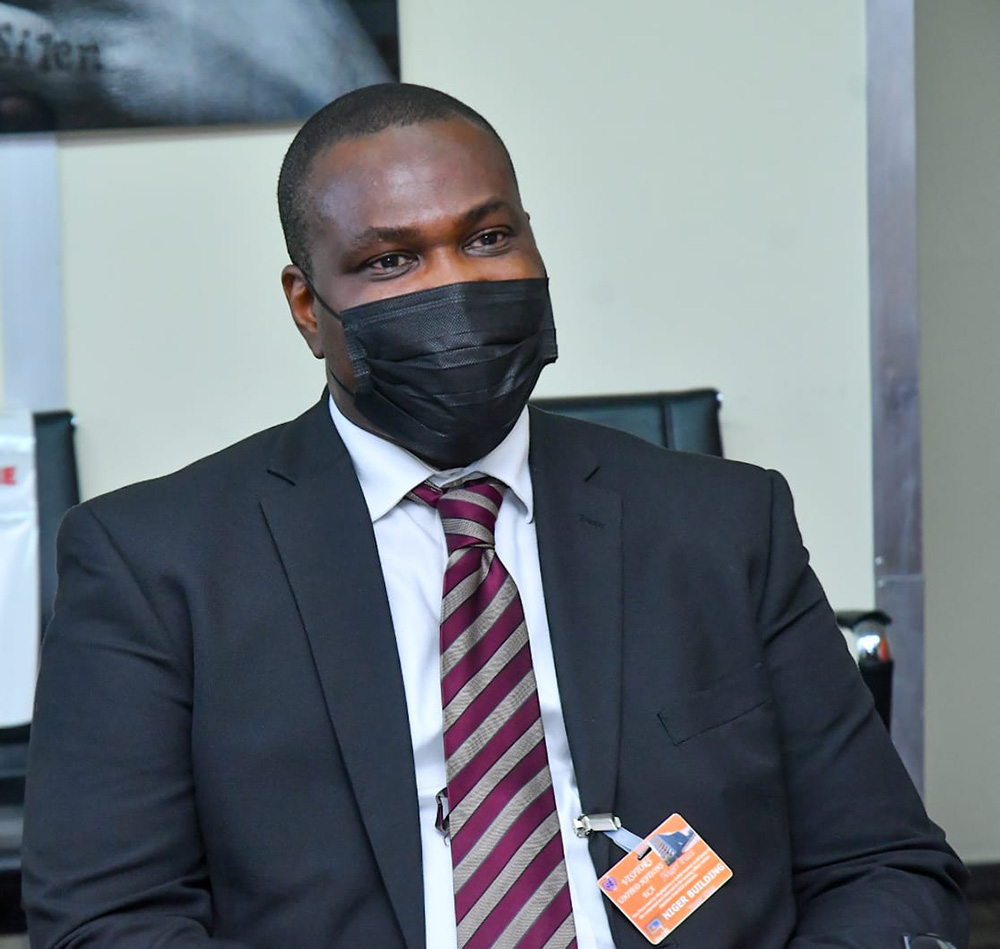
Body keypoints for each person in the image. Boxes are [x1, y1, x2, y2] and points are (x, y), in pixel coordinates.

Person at [22, 83, 967, 949]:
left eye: (486, 238)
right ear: (308, 307)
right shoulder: (153, 563)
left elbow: (883, 867)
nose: (457, 288)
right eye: (391, 260)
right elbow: (107, 921)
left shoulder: (723, 525)